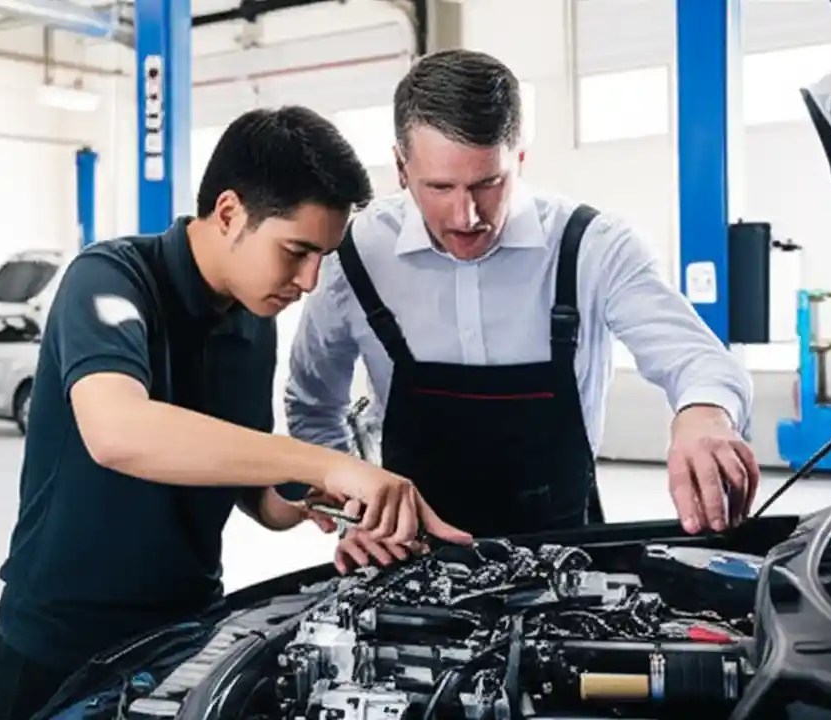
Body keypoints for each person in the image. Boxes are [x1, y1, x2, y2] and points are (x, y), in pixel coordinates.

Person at [0, 106, 471, 720]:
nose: (309, 281)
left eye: (322, 256)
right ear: (230, 212)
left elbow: (256, 495)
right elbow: (117, 431)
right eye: (296, 251)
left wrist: (324, 502)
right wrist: (327, 462)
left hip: (182, 639)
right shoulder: (108, 280)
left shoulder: (251, 321)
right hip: (62, 653)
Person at [283, 49, 761, 575]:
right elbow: (313, 405)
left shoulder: (592, 247)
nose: (466, 215)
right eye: (440, 187)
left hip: (567, 561)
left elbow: (701, 361)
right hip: (409, 562)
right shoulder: (353, 257)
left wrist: (704, 415)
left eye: (488, 183)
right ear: (401, 166)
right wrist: (355, 512)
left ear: (521, 158)